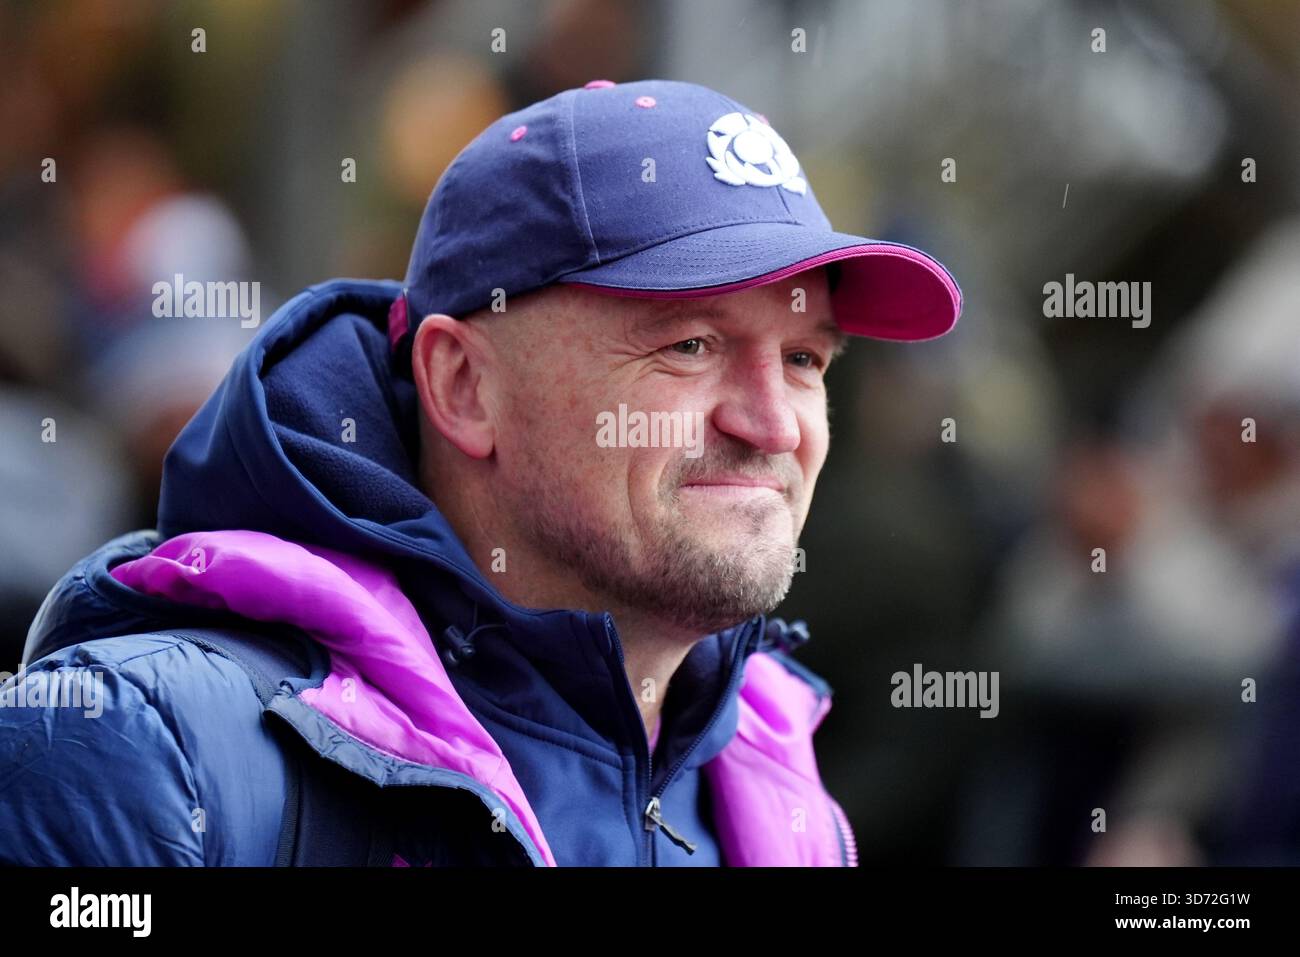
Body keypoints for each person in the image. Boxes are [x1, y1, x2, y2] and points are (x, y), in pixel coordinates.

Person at [0, 79, 960, 866]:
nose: (770, 422)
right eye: (691, 344)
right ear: (462, 386)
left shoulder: (774, 783)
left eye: (804, 360)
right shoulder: (147, 755)